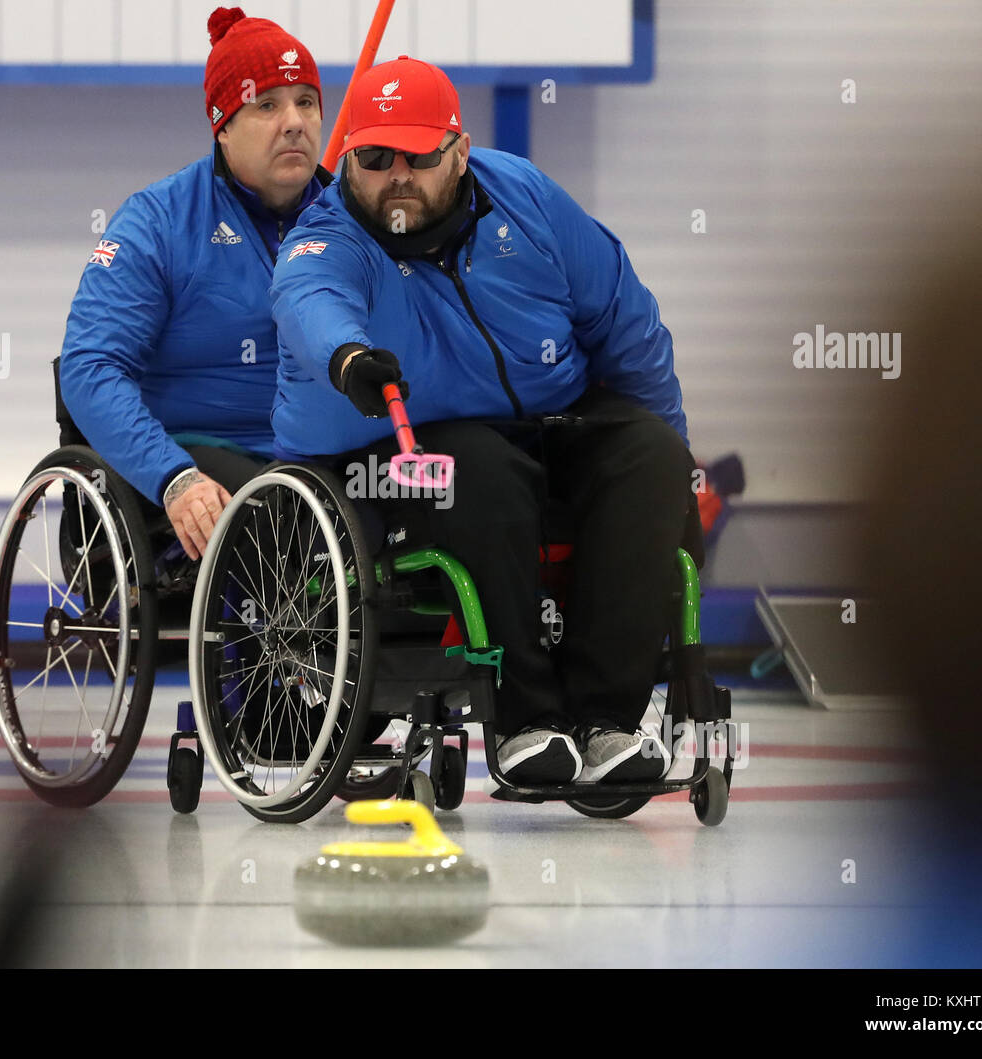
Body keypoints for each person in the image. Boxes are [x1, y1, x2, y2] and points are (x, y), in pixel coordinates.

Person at [270, 56, 703, 788]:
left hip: (543, 419)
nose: (395, 175)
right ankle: (526, 721)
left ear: (460, 152)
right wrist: (350, 359)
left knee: (650, 457)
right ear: (348, 159)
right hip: (385, 445)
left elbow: (626, 322)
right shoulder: (330, 233)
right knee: (480, 468)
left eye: (417, 155)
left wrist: (678, 480)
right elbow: (308, 297)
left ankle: (607, 725)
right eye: (373, 158)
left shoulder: (526, 198)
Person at [59, 6, 330, 561]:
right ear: (223, 125)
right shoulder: (157, 223)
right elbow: (90, 369)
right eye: (268, 105)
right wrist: (173, 478)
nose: (295, 121)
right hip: (202, 450)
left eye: (306, 101)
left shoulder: (348, 221)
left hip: (324, 451)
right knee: (285, 513)